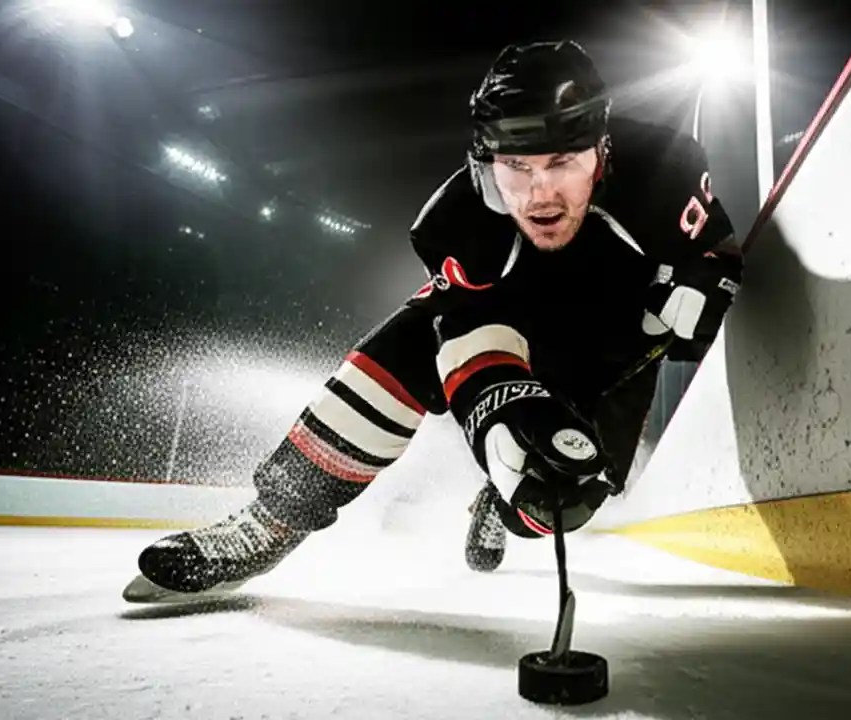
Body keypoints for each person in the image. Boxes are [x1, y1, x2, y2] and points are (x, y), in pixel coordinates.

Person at [123, 39, 742, 602]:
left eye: (560, 162)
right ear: (486, 163)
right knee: (410, 338)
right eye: (517, 168)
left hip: (614, 346)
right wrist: (497, 407)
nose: (539, 195)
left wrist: (703, 284)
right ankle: (273, 519)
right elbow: (463, 338)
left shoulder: (668, 165)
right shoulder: (456, 222)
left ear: (601, 149)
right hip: (513, 328)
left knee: (555, 505)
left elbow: (718, 251)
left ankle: (499, 508)